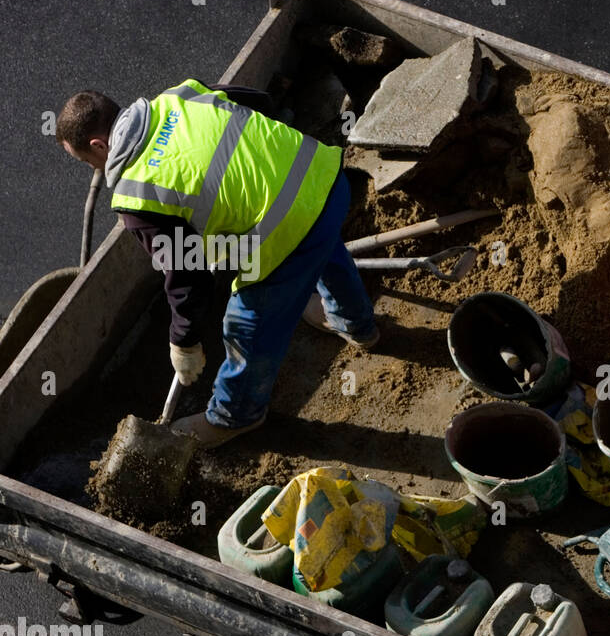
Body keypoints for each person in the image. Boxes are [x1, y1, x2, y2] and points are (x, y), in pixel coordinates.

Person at [56, 78, 378, 448]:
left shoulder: (137, 194)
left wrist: (185, 342)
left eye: (86, 161)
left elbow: (187, 274)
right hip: (324, 177)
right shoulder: (181, 96)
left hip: (288, 232)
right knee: (324, 248)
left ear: (99, 145)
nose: (93, 168)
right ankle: (357, 325)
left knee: (244, 324)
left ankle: (234, 416)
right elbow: (258, 100)